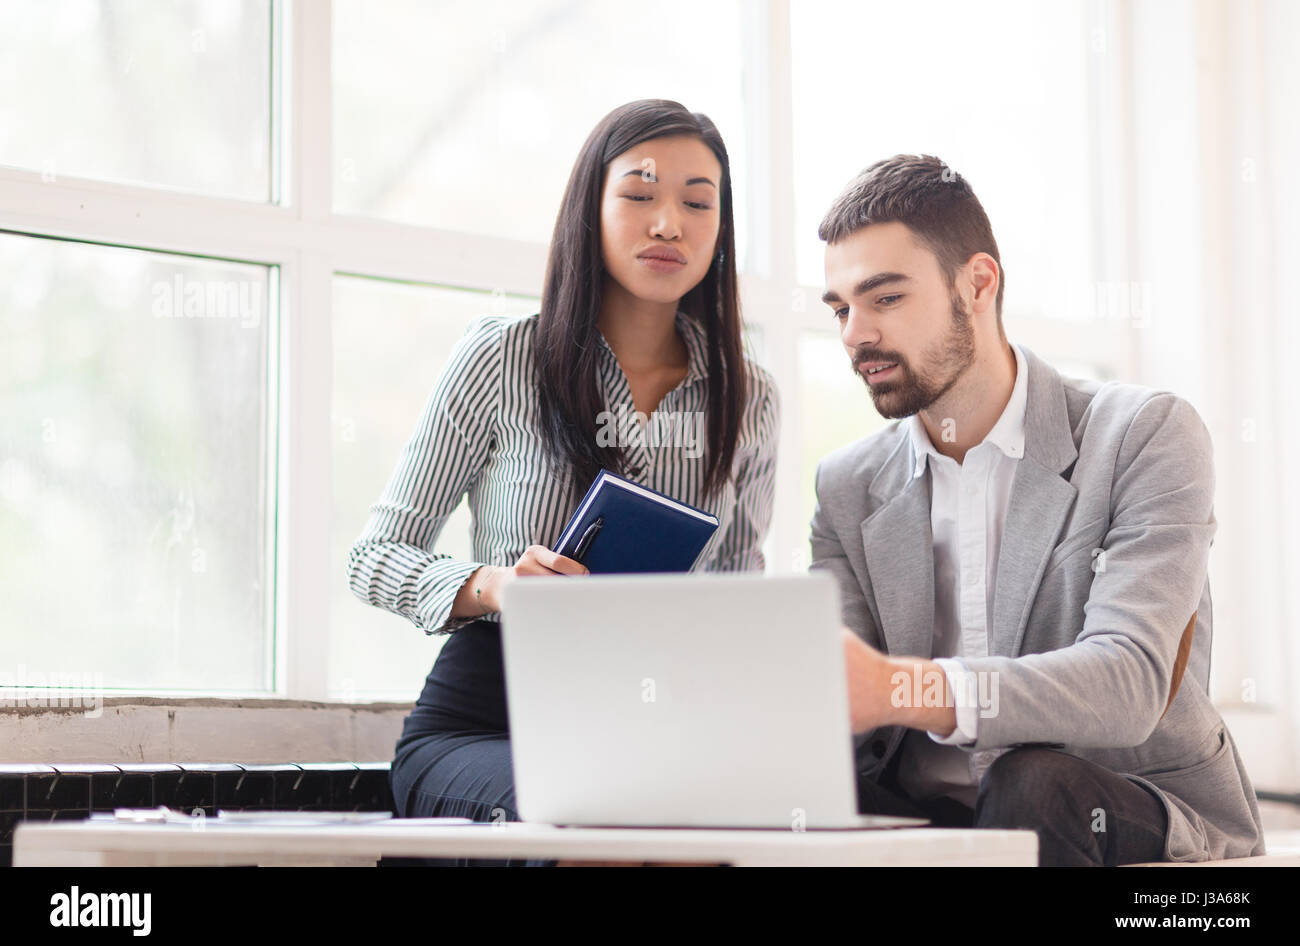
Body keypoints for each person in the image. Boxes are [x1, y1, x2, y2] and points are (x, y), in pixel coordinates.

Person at [346, 99, 779, 866]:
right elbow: (373, 556)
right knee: (601, 822)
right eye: (640, 195)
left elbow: (742, 602)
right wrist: (494, 585)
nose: (669, 223)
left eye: (697, 203)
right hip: (487, 719)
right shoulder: (503, 359)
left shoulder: (749, 399)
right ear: (591, 208)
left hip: (650, 729)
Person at [812, 153, 1266, 866]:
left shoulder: (1142, 435)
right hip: (926, 818)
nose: (854, 334)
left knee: (1031, 790)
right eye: (840, 308)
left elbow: (1128, 682)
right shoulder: (846, 486)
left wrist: (902, 686)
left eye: (885, 299)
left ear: (977, 283)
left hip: (1107, 795)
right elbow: (839, 709)